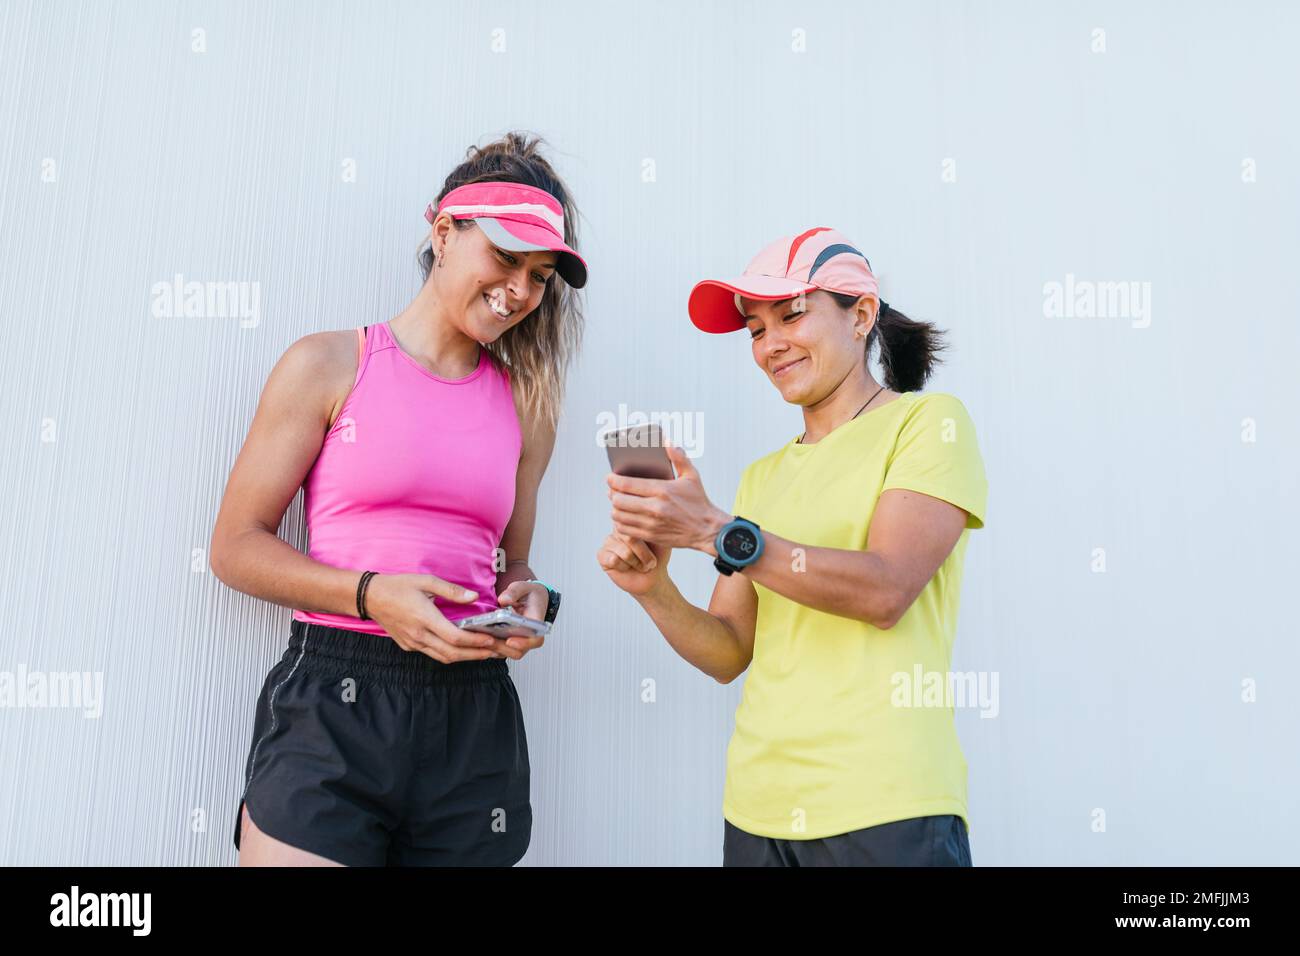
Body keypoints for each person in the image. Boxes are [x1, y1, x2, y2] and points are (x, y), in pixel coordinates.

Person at [210, 133, 586, 866]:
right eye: (506, 258)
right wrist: (369, 594)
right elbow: (234, 546)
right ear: (444, 232)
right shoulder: (328, 364)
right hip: (334, 703)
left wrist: (528, 599)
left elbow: (515, 566)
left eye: (541, 275)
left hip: (473, 715)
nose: (521, 290)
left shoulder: (530, 403)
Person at [597, 226, 988, 866]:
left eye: (792, 315)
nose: (771, 344)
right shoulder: (764, 476)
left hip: (886, 806)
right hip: (758, 810)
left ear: (861, 315)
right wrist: (654, 589)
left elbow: (886, 589)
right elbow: (728, 650)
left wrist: (714, 532)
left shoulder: (928, 423)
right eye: (755, 330)